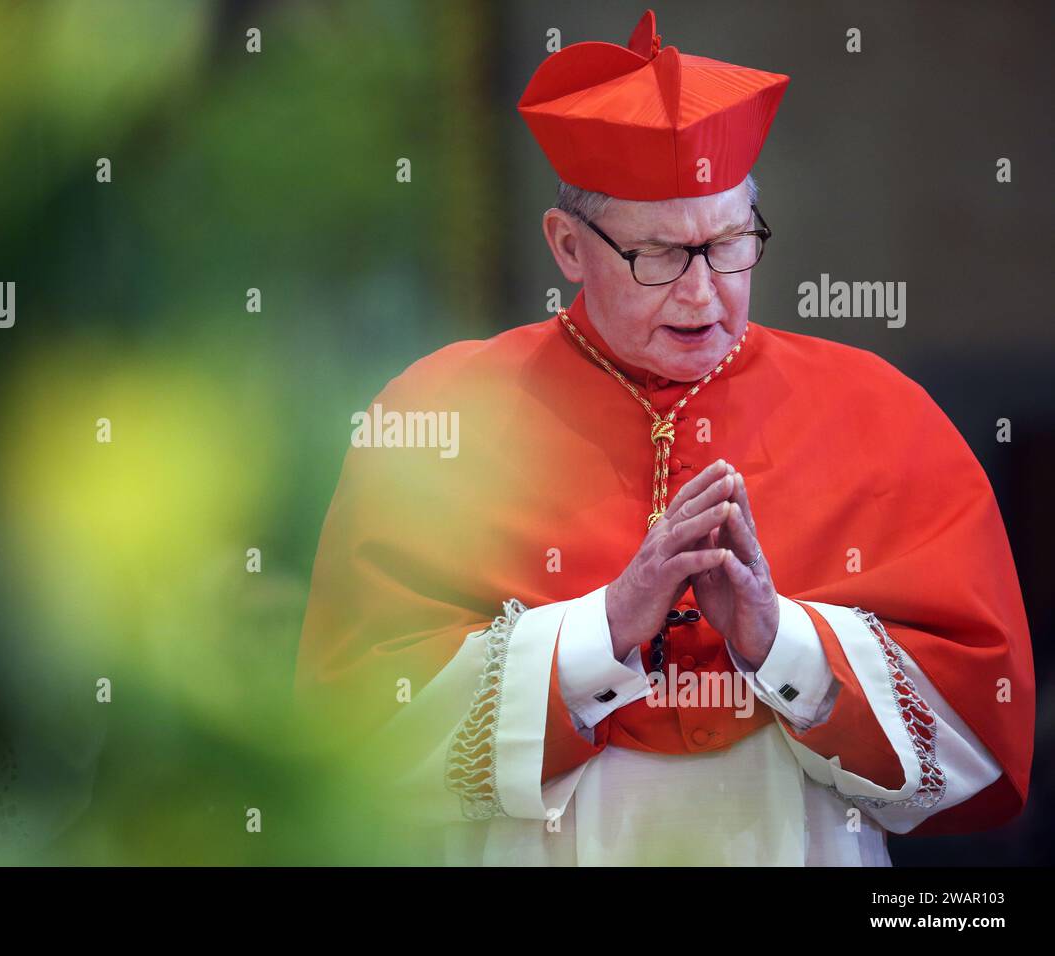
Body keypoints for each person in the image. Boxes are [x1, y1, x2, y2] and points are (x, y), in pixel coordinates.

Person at [294, 8, 1033, 865]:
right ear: (567, 247)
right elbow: (351, 742)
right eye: (657, 257)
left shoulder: (881, 413)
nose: (701, 295)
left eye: (729, 246)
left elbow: (982, 733)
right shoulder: (442, 416)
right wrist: (599, 633)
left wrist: (781, 642)